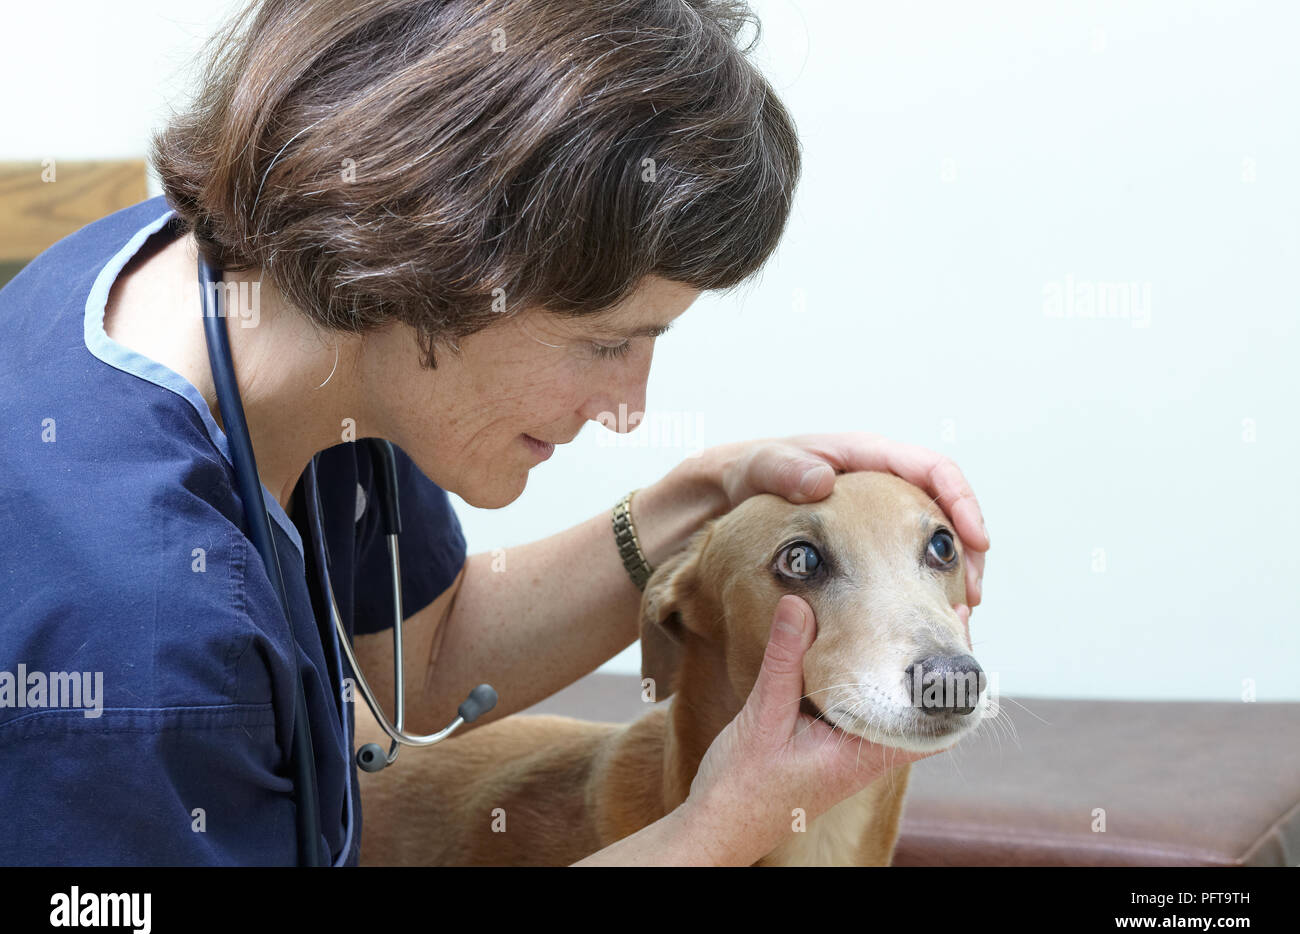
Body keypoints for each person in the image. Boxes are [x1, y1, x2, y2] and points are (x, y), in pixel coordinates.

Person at [0, 0, 988, 865]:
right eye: (608, 343)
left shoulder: (259, 300)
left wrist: (701, 497)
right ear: (431, 256)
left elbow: (420, 663)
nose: (629, 404)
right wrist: (711, 834)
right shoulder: (136, 645)